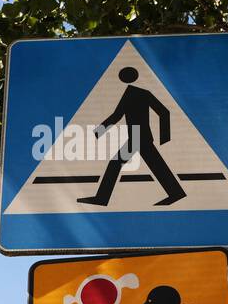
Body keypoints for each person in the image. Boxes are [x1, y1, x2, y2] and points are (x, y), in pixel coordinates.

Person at [77, 66, 186, 207]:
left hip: (138, 137)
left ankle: (102, 198)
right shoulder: (143, 93)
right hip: (140, 136)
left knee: (117, 164)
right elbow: (164, 112)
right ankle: (176, 192)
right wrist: (164, 137)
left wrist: (97, 133)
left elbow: (118, 115)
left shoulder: (130, 93)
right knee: (154, 165)